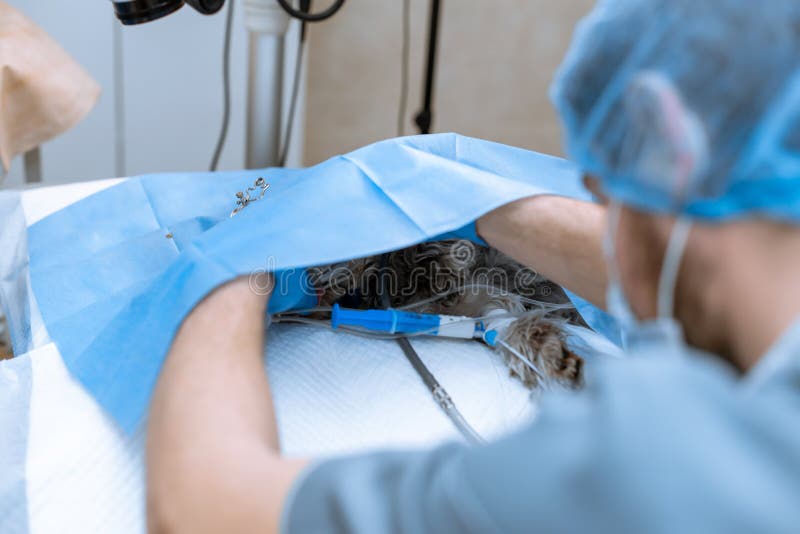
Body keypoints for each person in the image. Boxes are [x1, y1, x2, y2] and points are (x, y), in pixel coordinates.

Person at [145, 0, 800, 532]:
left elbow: (207, 510)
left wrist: (233, 272)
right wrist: (471, 199)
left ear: (675, 155)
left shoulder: (662, 457)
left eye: (602, 198)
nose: (608, 239)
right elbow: (671, 270)